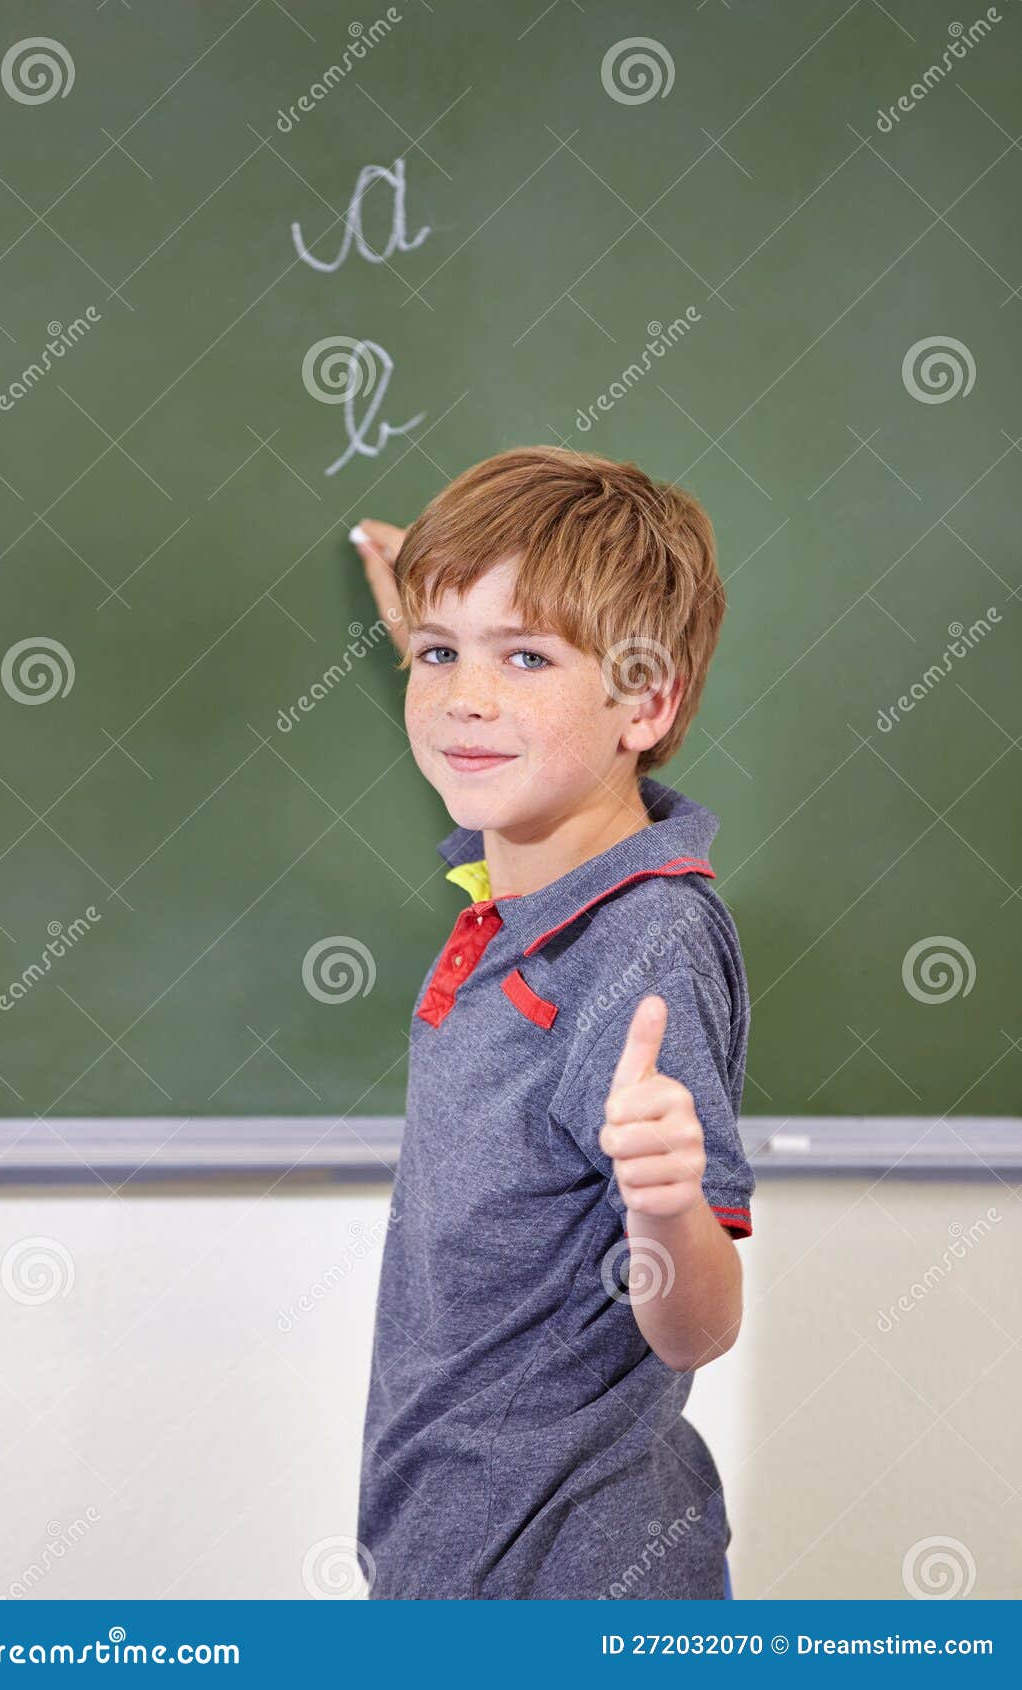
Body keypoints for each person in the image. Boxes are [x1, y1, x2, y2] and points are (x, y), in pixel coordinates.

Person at [349, 445, 755, 1600]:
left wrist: (669, 1201)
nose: (462, 696)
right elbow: (494, 714)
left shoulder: (640, 943)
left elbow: (696, 1327)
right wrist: (443, 617)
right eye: (436, 655)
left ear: (650, 701)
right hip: (450, 1551)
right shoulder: (519, 877)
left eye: (525, 654)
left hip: (569, 1585)